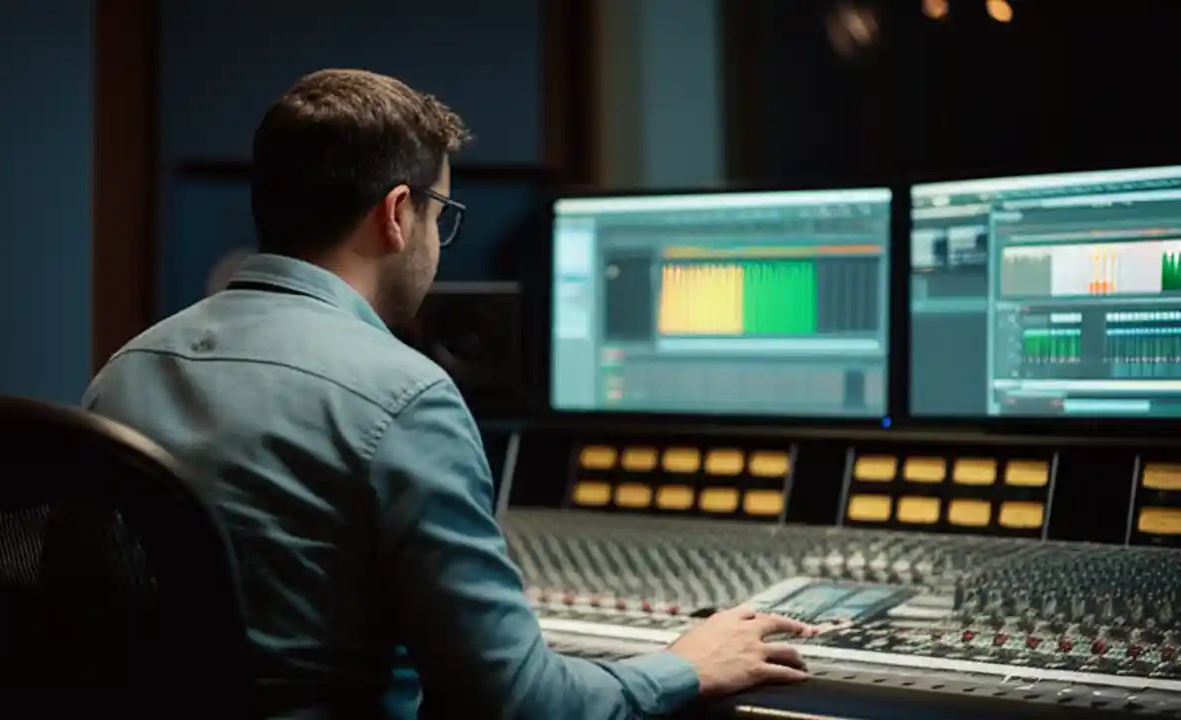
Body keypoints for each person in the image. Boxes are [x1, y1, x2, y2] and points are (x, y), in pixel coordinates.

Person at [83, 68, 815, 719]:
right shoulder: (403, 397)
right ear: (398, 214)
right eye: (442, 216)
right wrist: (684, 667)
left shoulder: (125, 371)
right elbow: (520, 703)